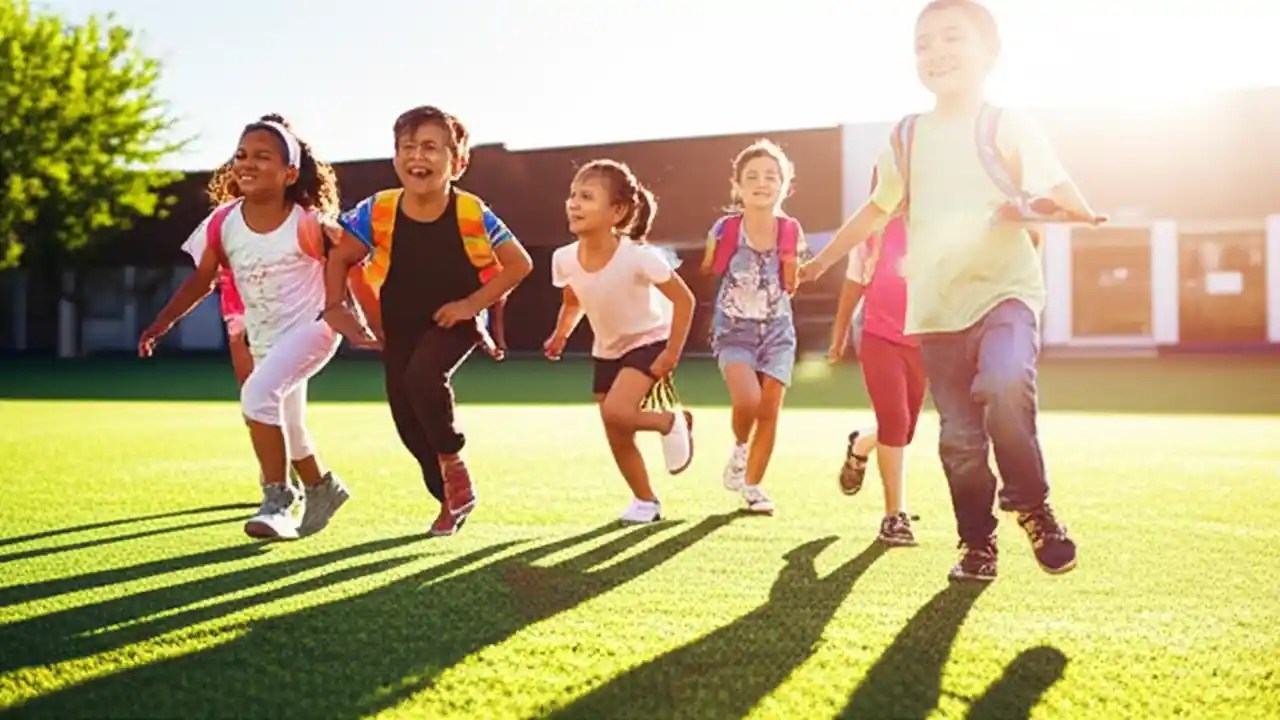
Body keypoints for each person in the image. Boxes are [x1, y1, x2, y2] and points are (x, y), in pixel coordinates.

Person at [800, 0, 1103, 581]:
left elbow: (1054, 188)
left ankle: (1032, 506)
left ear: (989, 53)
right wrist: (821, 262)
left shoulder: (1006, 124)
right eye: (922, 44)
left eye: (951, 39)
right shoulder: (907, 135)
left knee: (1006, 378)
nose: (936, 52)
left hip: (1005, 292)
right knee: (960, 439)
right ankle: (977, 544)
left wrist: (1079, 211)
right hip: (936, 311)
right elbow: (875, 208)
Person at [322, 105, 533, 538]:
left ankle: (454, 464)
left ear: (458, 162)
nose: (418, 156)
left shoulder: (472, 212)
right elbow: (342, 256)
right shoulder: (378, 209)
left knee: (423, 378)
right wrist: (336, 307)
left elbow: (519, 264)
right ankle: (450, 498)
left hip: (454, 321)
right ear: (396, 156)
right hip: (401, 323)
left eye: (431, 147)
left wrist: (470, 305)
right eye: (407, 147)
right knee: (407, 420)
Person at [139, 114, 351, 541]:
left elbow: (352, 262)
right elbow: (203, 279)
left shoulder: (308, 223)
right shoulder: (223, 222)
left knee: (256, 395)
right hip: (267, 338)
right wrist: (162, 323)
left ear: (290, 173)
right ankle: (323, 487)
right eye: (241, 155)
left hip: (315, 329)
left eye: (262, 156)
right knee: (287, 425)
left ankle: (276, 500)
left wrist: (364, 320)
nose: (247, 163)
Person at [543, 159, 695, 524]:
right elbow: (573, 298)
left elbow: (685, 300)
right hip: (606, 350)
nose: (574, 204)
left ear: (618, 211)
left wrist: (672, 353)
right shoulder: (563, 259)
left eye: (587, 197)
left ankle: (670, 422)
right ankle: (645, 502)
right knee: (616, 429)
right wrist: (561, 334)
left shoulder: (639, 257)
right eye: (573, 195)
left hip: (649, 340)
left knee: (616, 411)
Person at [700, 140, 805, 515]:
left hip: (778, 331)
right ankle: (740, 448)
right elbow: (709, 269)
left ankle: (754, 487)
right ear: (738, 186)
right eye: (753, 176)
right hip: (734, 329)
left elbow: (791, 282)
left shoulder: (791, 229)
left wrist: (795, 265)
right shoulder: (726, 228)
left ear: (784, 185)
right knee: (748, 401)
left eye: (771, 176)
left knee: (771, 409)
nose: (762, 183)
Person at [826, 174, 924, 546]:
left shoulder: (935, 224)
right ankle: (893, 517)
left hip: (923, 341)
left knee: (904, 430)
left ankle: (861, 445)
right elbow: (854, 282)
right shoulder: (871, 229)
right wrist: (837, 335)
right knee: (895, 420)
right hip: (878, 335)